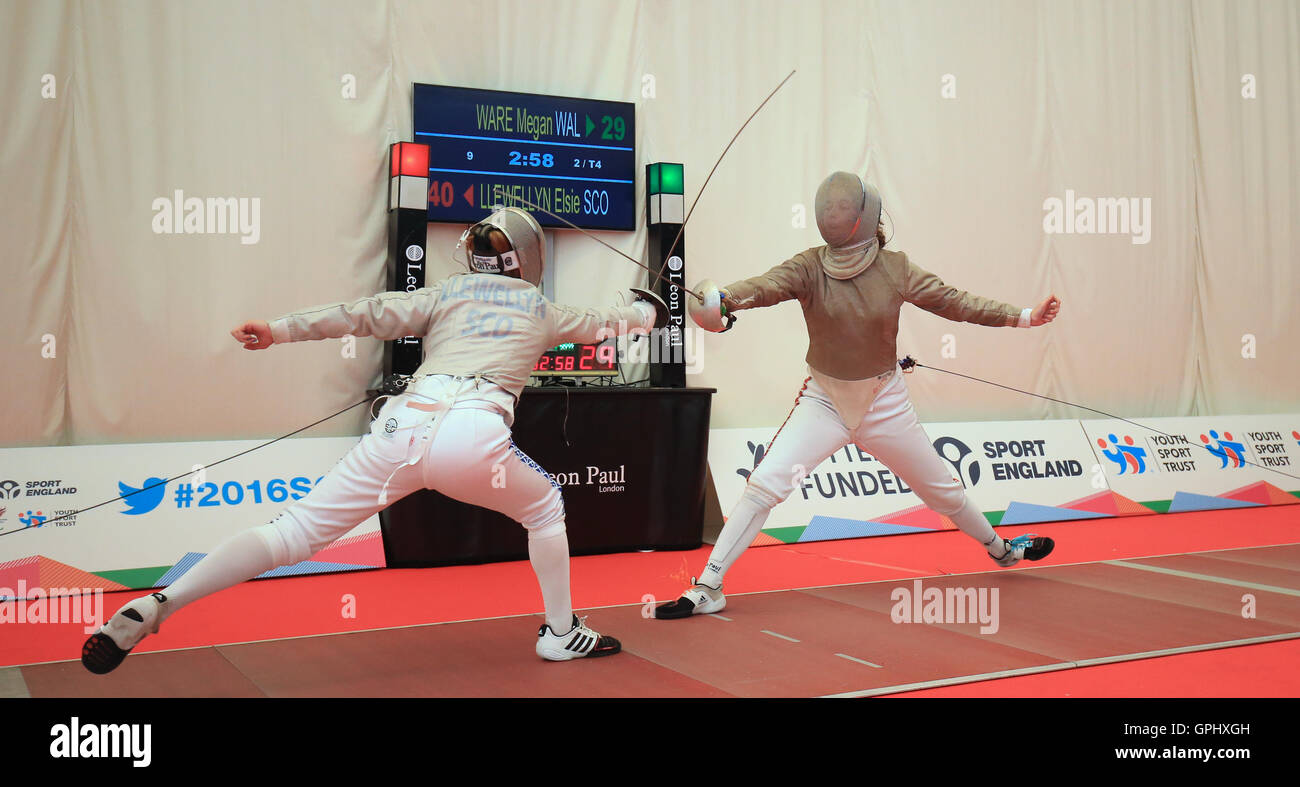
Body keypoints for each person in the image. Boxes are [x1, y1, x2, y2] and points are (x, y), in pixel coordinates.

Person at [82, 207, 668, 670]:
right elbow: (612, 322)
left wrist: (278, 330)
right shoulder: (541, 308)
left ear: (476, 255)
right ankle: (561, 634)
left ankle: (162, 603)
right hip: (473, 435)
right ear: (530, 260)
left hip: (400, 424)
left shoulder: (445, 295)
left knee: (292, 532)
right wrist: (646, 307)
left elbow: (363, 312)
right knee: (545, 506)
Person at [657, 171, 1062, 619]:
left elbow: (956, 302)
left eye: (841, 209)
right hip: (825, 402)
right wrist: (723, 301)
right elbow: (764, 286)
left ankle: (1002, 550)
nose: (835, 214)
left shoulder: (896, 269)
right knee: (765, 485)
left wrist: (1024, 316)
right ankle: (709, 586)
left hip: (883, 403)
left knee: (943, 492)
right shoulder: (809, 266)